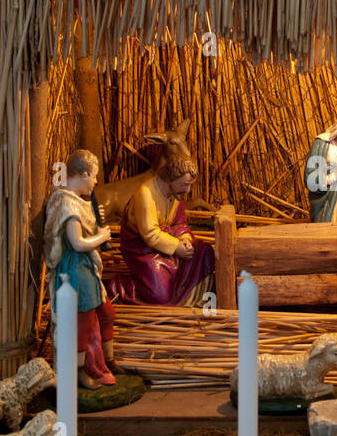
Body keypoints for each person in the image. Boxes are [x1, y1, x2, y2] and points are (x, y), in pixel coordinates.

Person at [44, 149, 116, 389]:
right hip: (75, 269)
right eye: (93, 176)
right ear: (84, 174)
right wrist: (101, 235)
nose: (95, 181)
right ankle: (76, 373)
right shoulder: (67, 204)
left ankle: (108, 359)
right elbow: (77, 243)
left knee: (106, 313)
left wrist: (96, 223)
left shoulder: (78, 201)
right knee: (82, 322)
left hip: (86, 268)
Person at [106, 156, 215, 307]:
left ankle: (189, 299)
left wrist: (185, 241)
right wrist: (177, 247)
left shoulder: (178, 194)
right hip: (143, 250)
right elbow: (150, 235)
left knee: (204, 252)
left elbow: (179, 223)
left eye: (189, 185)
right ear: (171, 178)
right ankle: (123, 286)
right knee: (159, 295)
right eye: (185, 184)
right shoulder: (145, 194)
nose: (188, 190)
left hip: (168, 242)